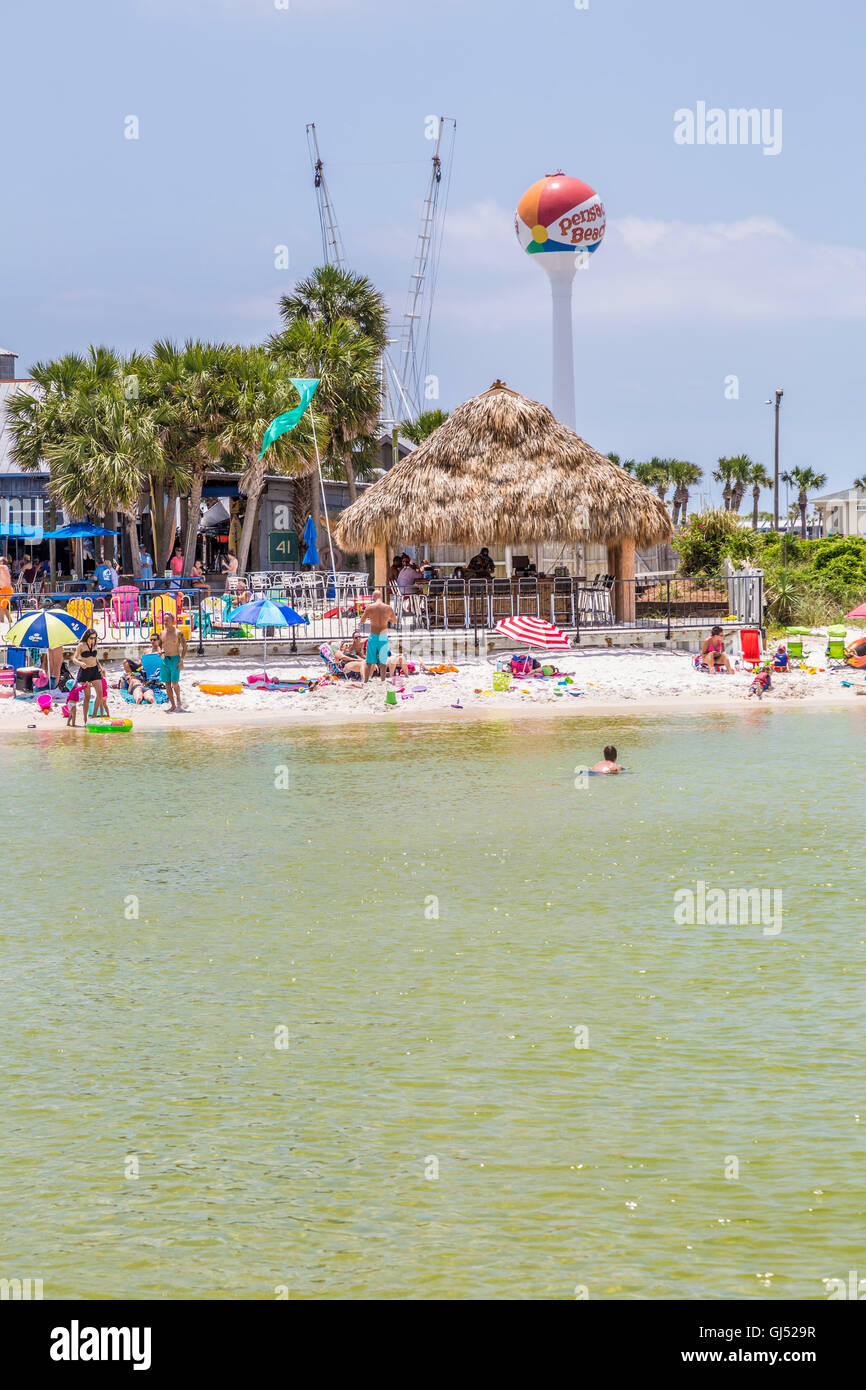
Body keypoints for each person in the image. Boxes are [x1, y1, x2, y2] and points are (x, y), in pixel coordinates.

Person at [360, 589, 397, 684]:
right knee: (383, 661)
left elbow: (362, 621)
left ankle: (365, 681)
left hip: (373, 636)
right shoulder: (388, 608)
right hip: (383, 636)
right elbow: (394, 621)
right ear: (381, 597)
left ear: (373, 597)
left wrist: (370, 617)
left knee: (369, 661)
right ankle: (383, 681)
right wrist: (386, 618)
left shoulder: (369, 607)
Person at [71, 627, 102, 726]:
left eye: (95, 638)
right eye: (91, 638)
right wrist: (80, 663)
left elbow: (95, 657)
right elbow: (74, 659)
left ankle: (93, 717)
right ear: (87, 637)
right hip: (85, 671)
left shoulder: (95, 644)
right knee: (87, 697)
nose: (93, 640)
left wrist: (100, 666)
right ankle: (85, 719)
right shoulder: (81, 645)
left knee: (100, 694)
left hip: (95, 670)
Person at [159, 611, 187, 712]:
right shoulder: (162, 633)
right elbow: (159, 645)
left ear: (172, 621)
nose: (165, 622)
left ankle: (178, 699)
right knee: (167, 684)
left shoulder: (178, 633)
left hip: (175, 659)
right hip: (165, 660)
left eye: (167, 620)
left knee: (175, 683)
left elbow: (185, 647)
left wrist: (182, 659)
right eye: (164, 620)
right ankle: (173, 705)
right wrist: (160, 652)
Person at [0, 555, 12, 628]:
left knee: (1, 607)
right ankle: (10, 620)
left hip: (6, 590)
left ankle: (1, 621)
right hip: (4, 589)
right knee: (3, 607)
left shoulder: (4, 567)